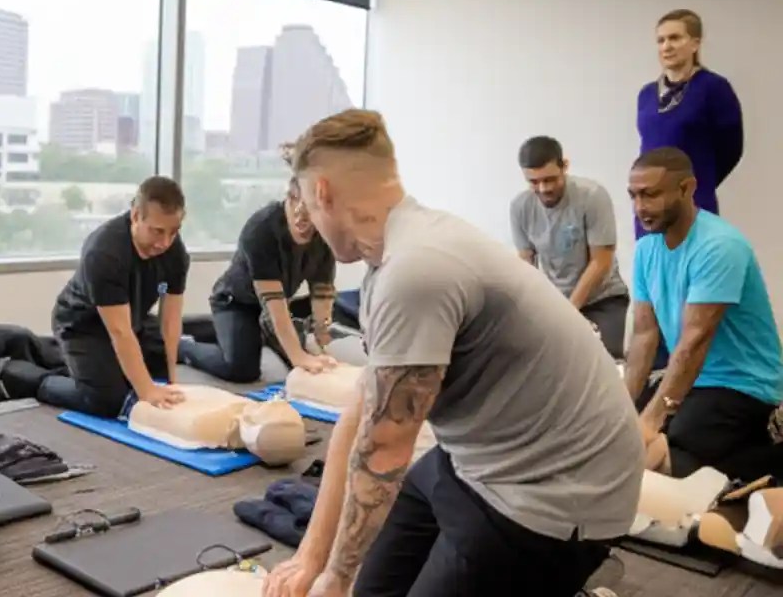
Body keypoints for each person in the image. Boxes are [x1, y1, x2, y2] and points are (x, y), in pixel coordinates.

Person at [262, 110, 643, 597]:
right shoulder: (393, 261)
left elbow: (385, 448)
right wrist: (312, 560)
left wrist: (334, 579)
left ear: (322, 194)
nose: (311, 226)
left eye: (310, 211)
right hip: (475, 463)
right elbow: (360, 419)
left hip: (557, 500)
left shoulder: (416, 270)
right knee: (370, 588)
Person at [623, 147, 783, 482]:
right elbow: (644, 335)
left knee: (669, 446)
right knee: (620, 434)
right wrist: (623, 407)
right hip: (693, 381)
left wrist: (651, 423)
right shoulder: (646, 249)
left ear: (687, 188)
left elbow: (693, 343)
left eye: (650, 195)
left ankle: (769, 458)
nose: (640, 208)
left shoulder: (720, 246)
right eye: (634, 196)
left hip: (743, 384)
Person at [36, 176, 190, 417]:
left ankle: (83, 367)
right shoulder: (104, 252)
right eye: (157, 231)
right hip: (83, 325)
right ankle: (30, 378)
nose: (165, 243)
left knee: (158, 379)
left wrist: (171, 380)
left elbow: (170, 321)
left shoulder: (175, 253)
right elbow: (119, 332)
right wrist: (147, 391)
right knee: (108, 401)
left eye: (173, 232)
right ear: (136, 215)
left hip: (133, 319)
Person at [180, 174, 339, 382]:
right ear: (288, 197)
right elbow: (274, 308)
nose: (301, 217)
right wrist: (299, 357)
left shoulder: (323, 234)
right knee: (242, 369)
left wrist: (322, 346)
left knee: (304, 363)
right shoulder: (261, 229)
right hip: (237, 302)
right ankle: (182, 346)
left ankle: (236, 332)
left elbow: (322, 296)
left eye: (309, 207)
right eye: (293, 200)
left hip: (280, 304)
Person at [510, 136, 630, 360]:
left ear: (564, 166)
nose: (543, 188)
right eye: (534, 182)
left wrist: (569, 312)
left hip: (603, 301)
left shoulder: (592, 196)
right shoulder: (520, 207)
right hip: (557, 304)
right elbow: (525, 264)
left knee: (604, 356)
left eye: (550, 179)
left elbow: (601, 261)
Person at [636, 8, 743, 238]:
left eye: (675, 38)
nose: (666, 46)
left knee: (696, 267)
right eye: (661, 40)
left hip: (692, 204)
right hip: (649, 208)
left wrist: (698, 181)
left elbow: (731, 149)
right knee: (652, 268)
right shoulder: (647, 95)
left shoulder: (713, 88)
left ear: (695, 43)